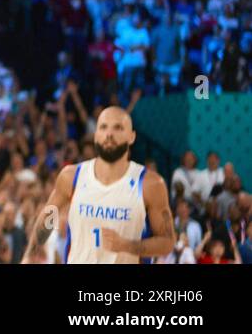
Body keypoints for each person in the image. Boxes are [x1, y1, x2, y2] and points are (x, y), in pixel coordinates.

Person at [24, 106, 173, 263]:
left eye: (118, 128)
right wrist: (28, 255)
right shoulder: (72, 176)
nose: (109, 134)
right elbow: (49, 216)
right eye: (103, 127)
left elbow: (167, 241)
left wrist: (128, 246)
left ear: (132, 137)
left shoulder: (150, 184)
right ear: (96, 135)